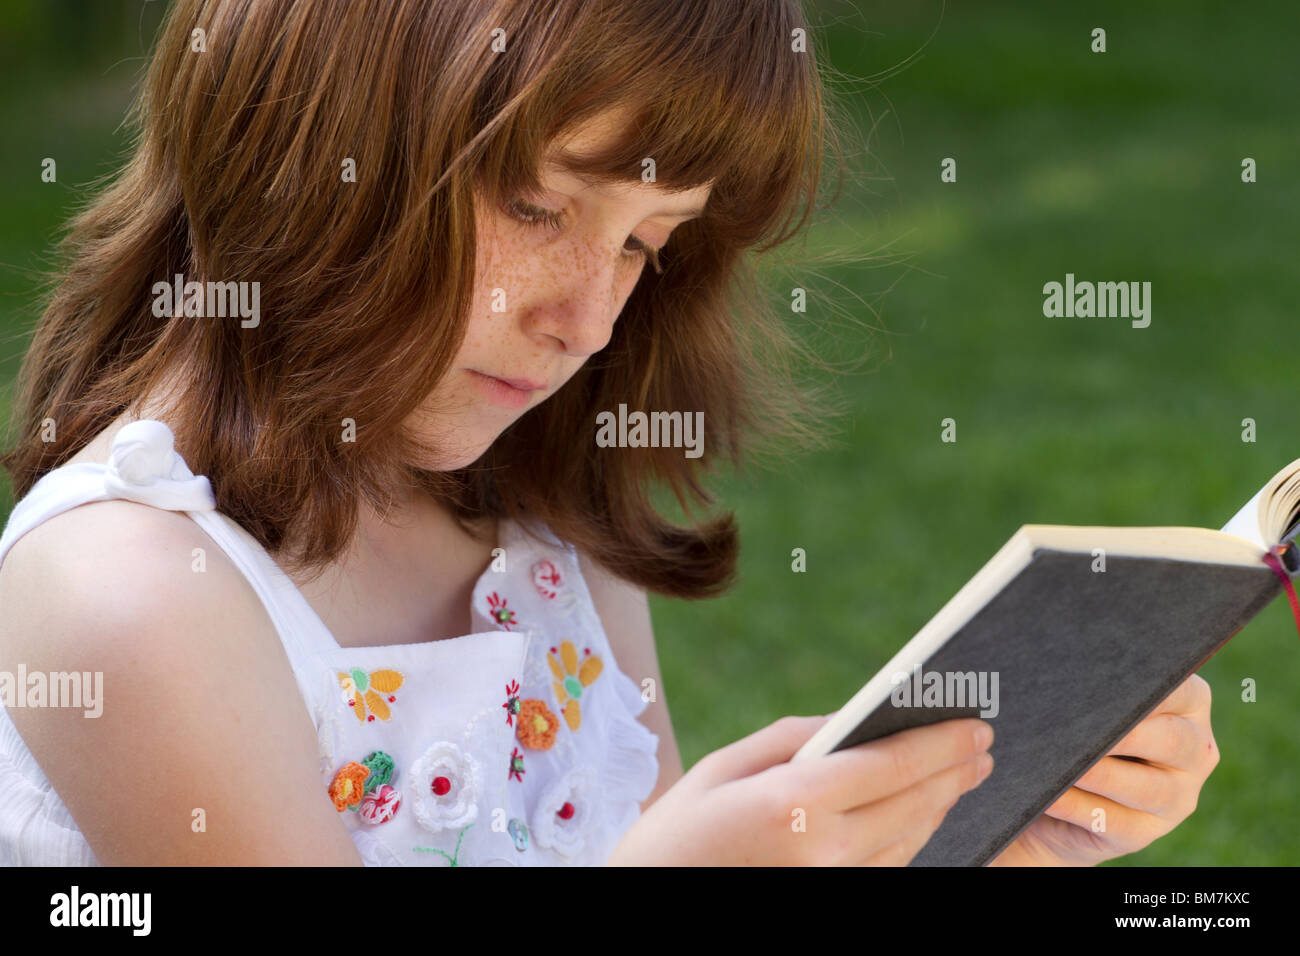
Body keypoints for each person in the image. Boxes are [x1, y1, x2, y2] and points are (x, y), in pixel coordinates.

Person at [0, 0, 1217, 866]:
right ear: (307, 148)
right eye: (538, 205)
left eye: (645, 243)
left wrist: (982, 831)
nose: (585, 318)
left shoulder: (535, 533)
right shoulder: (131, 588)